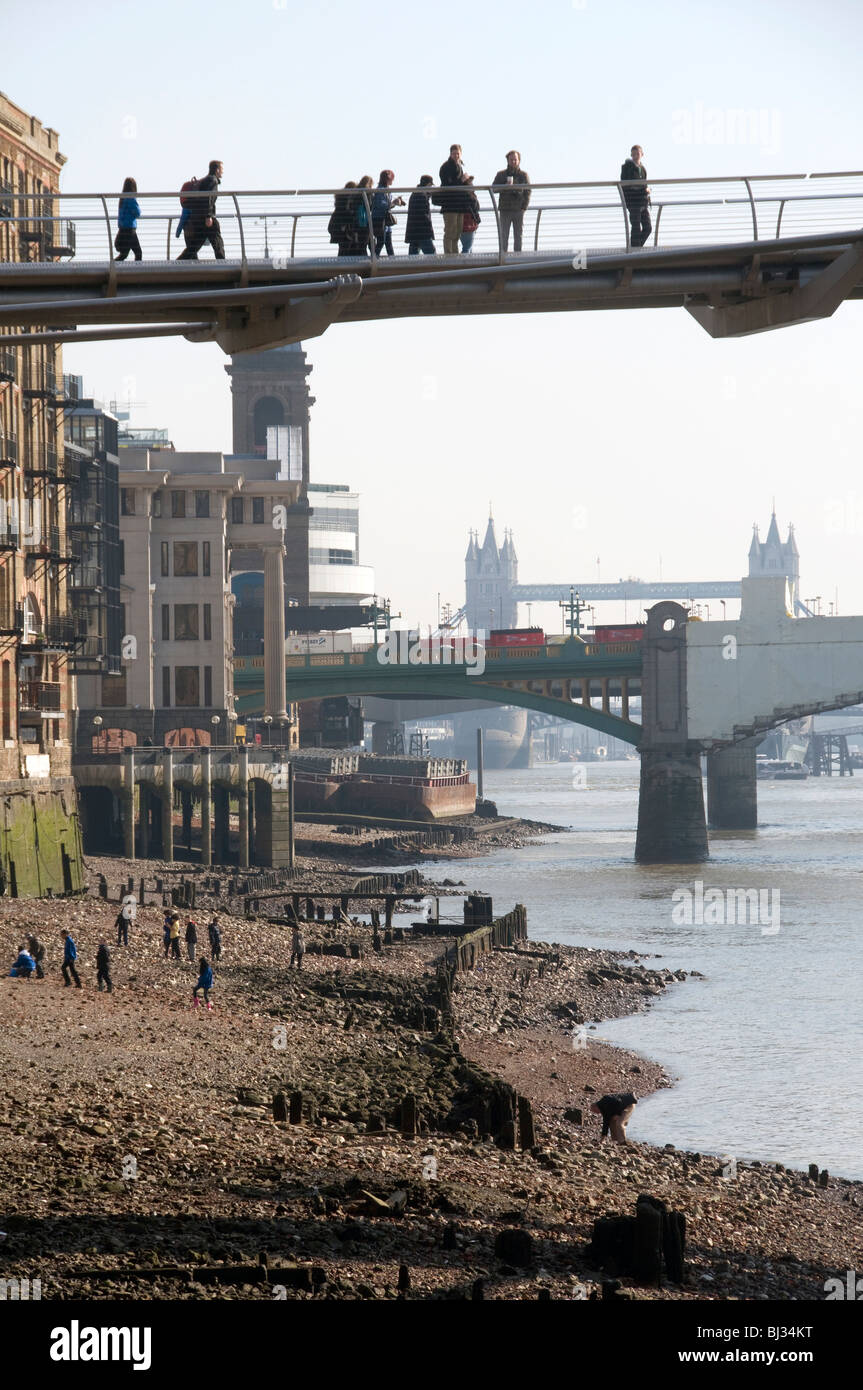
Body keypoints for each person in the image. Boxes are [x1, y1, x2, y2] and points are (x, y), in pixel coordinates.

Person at [177, 159, 225, 260]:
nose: (223, 171)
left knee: (194, 246)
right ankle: (223, 264)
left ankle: (177, 263)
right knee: (217, 242)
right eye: (221, 169)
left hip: (198, 217)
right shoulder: (213, 180)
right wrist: (208, 216)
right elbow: (208, 198)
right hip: (206, 218)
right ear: (217, 170)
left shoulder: (206, 180)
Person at [492, 151, 531, 252]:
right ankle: (503, 256)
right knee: (504, 235)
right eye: (511, 160)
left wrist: (524, 207)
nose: (513, 161)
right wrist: (504, 186)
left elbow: (528, 191)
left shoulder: (523, 175)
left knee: (518, 235)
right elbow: (493, 189)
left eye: (515, 159)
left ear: (519, 161)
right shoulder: (501, 175)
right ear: (507, 160)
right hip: (505, 209)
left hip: (519, 209)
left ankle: (517, 257)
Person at [438, 144, 469, 254]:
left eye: (458, 154)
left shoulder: (459, 166)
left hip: (459, 204)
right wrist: (462, 180)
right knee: (450, 231)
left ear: (461, 154)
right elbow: (449, 184)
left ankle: (454, 254)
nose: (456, 156)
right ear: (450, 154)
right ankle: (448, 254)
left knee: (457, 231)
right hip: (450, 203)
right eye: (454, 153)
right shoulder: (446, 167)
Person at [620, 145, 651, 248]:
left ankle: (635, 247)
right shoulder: (627, 167)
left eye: (637, 154)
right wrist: (644, 189)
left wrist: (646, 191)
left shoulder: (643, 169)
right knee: (636, 226)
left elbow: (643, 184)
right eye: (633, 154)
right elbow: (629, 184)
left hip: (643, 201)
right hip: (633, 201)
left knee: (648, 228)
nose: (635, 156)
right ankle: (634, 249)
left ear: (642, 154)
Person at [372, 170, 405, 257]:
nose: (392, 181)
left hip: (385, 220)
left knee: (388, 243)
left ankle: (391, 260)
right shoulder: (380, 190)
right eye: (392, 179)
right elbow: (382, 205)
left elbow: (386, 205)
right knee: (381, 241)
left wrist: (395, 202)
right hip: (380, 220)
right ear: (388, 179)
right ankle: (374, 258)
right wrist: (394, 202)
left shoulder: (385, 190)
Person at [405, 176, 436, 255]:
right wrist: (429, 229)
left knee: (413, 257)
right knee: (432, 256)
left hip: (413, 231)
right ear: (428, 184)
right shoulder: (422, 195)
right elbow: (424, 214)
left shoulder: (416, 193)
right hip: (423, 232)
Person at [114, 177, 142, 262]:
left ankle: (113, 265)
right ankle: (137, 271)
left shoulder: (122, 198)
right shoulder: (130, 198)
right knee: (137, 253)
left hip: (123, 228)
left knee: (124, 254)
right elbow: (137, 212)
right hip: (130, 229)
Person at [329, 181, 360, 257]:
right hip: (344, 229)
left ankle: (341, 266)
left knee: (343, 250)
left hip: (340, 228)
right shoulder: (347, 200)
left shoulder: (341, 198)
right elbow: (347, 213)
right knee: (347, 249)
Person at [460, 175, 481, 254]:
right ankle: (464, 264)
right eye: (470, 183)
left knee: (468, 247)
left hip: (467, 225)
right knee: (467, 248)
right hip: (468, 225)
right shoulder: (468, 195)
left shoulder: (467, 195)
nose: (472, 185)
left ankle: (467, 263)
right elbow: (475, 208)